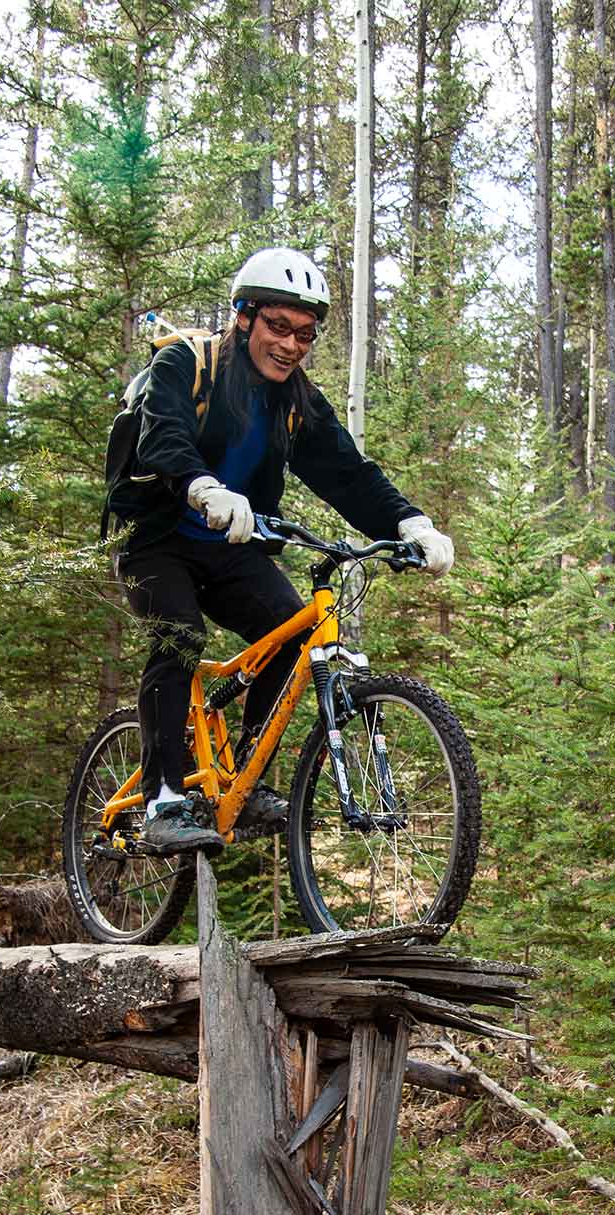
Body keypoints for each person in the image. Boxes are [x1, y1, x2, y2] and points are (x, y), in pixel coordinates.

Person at [109, 247, 454, 854]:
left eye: (305, 334)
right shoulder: (186, 363)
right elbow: (163, 437)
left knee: (292, 633)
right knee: (180, 635)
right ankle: (162, 801)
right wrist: (203, 487)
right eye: (278, 326)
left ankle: (246, 780)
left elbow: (348, 473)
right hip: (154, 541)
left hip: (229, 548)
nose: (291, 345)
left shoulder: (296, 401)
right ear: (243, 317)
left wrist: (412, 524)